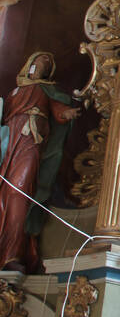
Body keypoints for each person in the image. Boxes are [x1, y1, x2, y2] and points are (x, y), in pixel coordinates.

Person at [0, 52, 78, 272]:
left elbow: (58, 111)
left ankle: (12, 254)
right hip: (8, 143)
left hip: (30, 142)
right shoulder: (14, 92)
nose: (41, 66)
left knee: (18, 192)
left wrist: (67, 113)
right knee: (4, 194)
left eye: (46, 64)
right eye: (38, 62)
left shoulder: (46, 90)